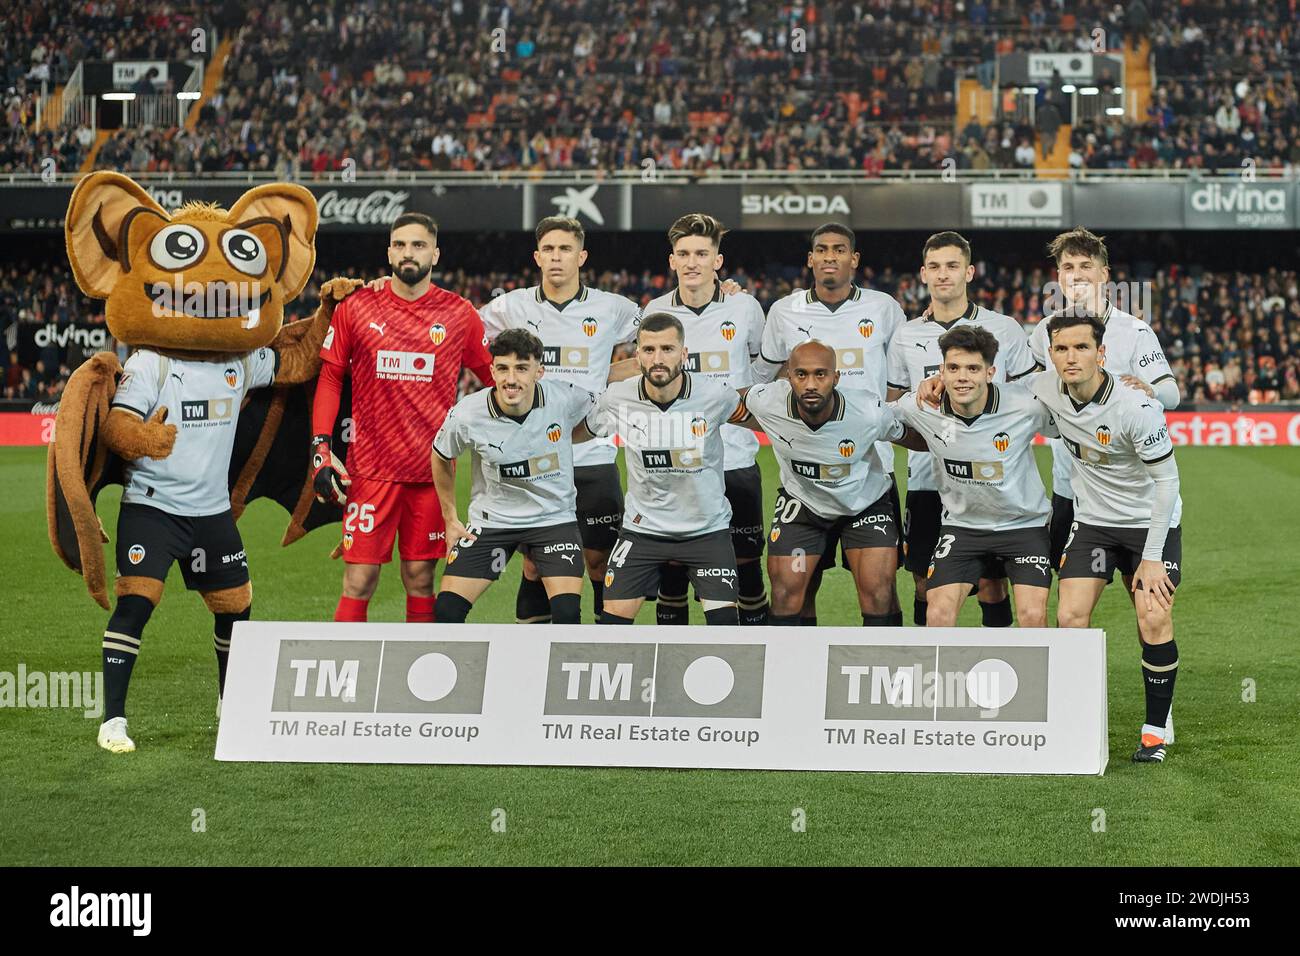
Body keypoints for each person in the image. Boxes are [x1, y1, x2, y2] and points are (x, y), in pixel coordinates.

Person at [311, 212, 492, 624]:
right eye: (400, 245)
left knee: (420, 578)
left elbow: (492, 379)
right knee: (358, 580)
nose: (408, 253)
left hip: (431, 473)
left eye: (418, 245)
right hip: (369, 471)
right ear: (389, 251)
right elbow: (331, 378)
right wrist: (321, 448)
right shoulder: (357, 307)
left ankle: (420, 679)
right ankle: (347, 681)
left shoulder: (458, 313)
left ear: (435, 253)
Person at [1030, 312, 1183, 763]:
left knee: (1152, 617)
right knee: (1071, 617)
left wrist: (1151, 558)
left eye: (1081, 348)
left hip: (1150, 523)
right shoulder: (1044, 388)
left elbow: (1167, 483)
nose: (1070, 357)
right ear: (1050, 354)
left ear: (1101, 353)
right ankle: (1076, 722)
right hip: (1095, 523)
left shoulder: (1135, 408)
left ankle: (1155, 730)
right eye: (1061, 349)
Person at [477, 216, 640, 624]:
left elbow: (667, 334)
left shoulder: (612, 308)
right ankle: (538, 661)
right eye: (548, 249)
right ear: (536, 256)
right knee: (536, 565)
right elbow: (457, 329)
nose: (556, 257)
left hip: (592, 454)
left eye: (565, 249)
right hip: (536, 459)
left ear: (581, 256)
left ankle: (603, 655)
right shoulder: (510, 306)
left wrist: (608, 376)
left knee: (599, 560)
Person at [753, 222, 905, 626]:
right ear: (810, 259)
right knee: (794, 590)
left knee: (880, 589)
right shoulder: (784, 311)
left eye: (840, 249)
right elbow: (762, 379)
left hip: (869, 467)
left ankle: (887, 677)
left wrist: (873, 420)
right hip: (805, 475)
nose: (830, 256)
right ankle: (796, 679)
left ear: (853, 259)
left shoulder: (884, 308)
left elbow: (901, 380)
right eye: (822, 249)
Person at [887, 231, 1036, 627]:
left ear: (969, 271)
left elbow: (1027, 401)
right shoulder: (906, 335)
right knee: (924, 583)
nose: (943, 275)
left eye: (952, 266)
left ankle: (1001, 671)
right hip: (926, 479)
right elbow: (895, 411)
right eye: (934, 267)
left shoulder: (1004, 329)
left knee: (992, 584)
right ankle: (928, 669)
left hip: (993, 484)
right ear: (923, 274)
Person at [576, 313, 751, 625]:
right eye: (649, 350)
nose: (658, 359)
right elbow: (578, 433)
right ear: (637, 355)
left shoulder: (715, 395)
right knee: (609, 630)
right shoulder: (618, 398)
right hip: (643, 531)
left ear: (684, 354)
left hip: (707, 531)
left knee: (726, 633)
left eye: (668, 349)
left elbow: (761, 417)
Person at [641, 213, 769, 626]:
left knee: (748, 570)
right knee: (673, 575)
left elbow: (762, 374)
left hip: (735, 460)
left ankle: (755, 668)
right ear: (671, 261)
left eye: (702, 253)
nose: (692, 261)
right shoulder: (655, 312)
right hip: (677, 464)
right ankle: (670, 669)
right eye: (684, 254)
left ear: (718, 260)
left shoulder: (745, 307)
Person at [744, 341, 924, 625]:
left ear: (836, 378)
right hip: (802, 504)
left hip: (864, 504)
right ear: (788, 376)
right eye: (801, 375)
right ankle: (794, 668)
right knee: (787, 594)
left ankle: (880, 666)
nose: (811, 384)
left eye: (820, 374)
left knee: (879, 594)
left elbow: (915, 437)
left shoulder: (867, 411)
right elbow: (722, 404)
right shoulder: (766, 400)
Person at [431, 329, 596, 624]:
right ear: (492, 370)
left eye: (521, 369)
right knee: (446, 612)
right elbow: (441, 456)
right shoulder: (467, 414)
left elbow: (598, 417)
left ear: (539, 371)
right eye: (503, 368)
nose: (511, 379)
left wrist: (566, 439)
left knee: (568, 614)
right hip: (493, 521)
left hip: (553, 519)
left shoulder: (566, 397)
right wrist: (450, 517)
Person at [898, 326, 1055, 628]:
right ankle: (940, 675)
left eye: (973, 368)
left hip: (1023, 526)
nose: (962, 377)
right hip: (963, 527)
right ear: (941, 371)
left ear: (990, 372)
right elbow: (880, 421)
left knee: (1033, 617)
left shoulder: (1026, 406)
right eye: (953, 368)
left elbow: (1071, 421)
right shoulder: (920, 406)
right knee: (938, 614)